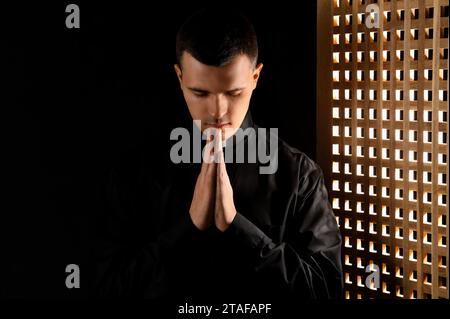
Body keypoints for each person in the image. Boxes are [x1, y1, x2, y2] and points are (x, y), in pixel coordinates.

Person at [90, 8, 343, 300]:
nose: (218, 112)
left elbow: (327, 292)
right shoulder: (136, 174)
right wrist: (188, 228)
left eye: (233, 93)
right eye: (200, 93)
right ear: (180, 77)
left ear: (256, 77)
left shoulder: (299, 175)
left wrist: (238, 228)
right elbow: (105, 289)